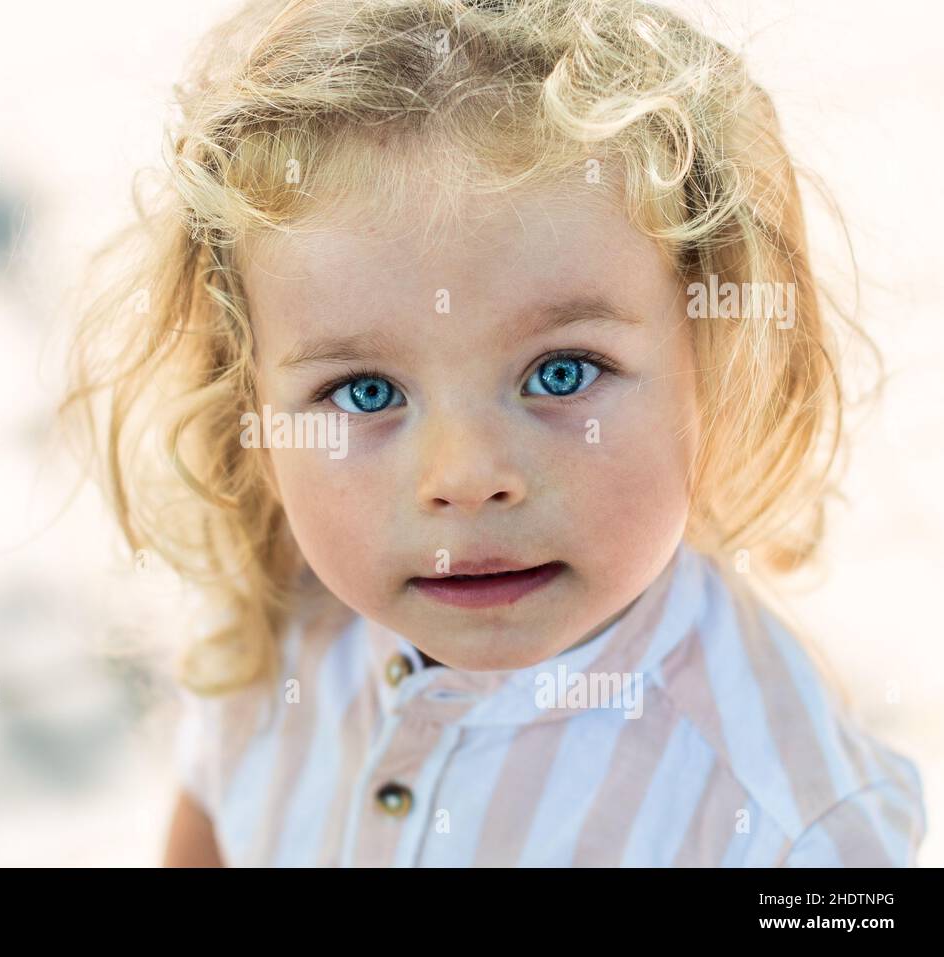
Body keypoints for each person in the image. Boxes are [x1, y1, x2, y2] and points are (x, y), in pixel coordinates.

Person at [62, 0, 927, 867]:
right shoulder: (282, 637)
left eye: (562, 372)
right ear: (249, 402)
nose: (467, 477)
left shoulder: (796, 829)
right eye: (364, 391)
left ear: (710, 348)